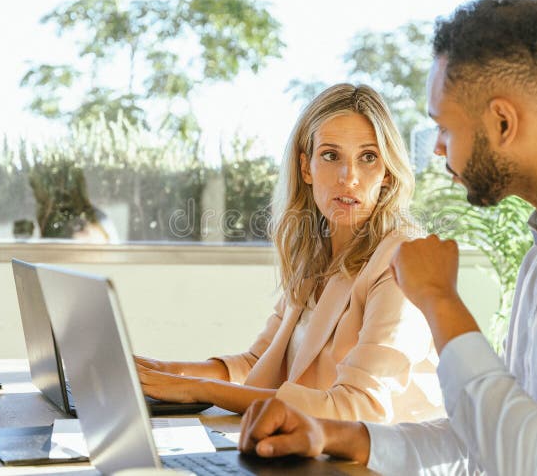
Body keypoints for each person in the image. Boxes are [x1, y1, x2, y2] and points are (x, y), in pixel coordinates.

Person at [237, 0, 537, 475]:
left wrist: (439, 300)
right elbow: (490, 437)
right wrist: (332, 435)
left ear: (502, 122)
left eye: (444, 128)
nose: (439, 150)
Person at [135, 83, 444, 424]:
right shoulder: (316, 253)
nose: (349, 177)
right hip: (314, 450)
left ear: (387, 172)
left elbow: (358, 408)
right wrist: (162, 373)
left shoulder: (402, 258)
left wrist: (197, 390)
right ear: (306, 167)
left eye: (368, 157)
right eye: (331, 155)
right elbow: (259, 363)